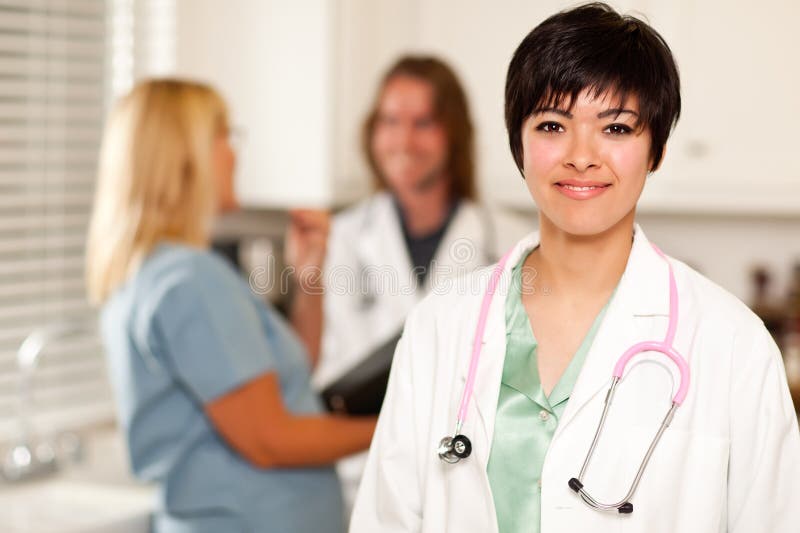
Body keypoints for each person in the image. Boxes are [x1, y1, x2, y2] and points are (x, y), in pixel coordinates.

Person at [350, 4, 800, 532]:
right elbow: (385, 520)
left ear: (656, 148)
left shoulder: (734, 346)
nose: (581, 156)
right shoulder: (440, 326)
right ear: (518, 143)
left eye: (616, 127)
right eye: (551, 124)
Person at [86, 79, 376, 533]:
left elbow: (283, 381)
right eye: (224, 136)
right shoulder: (190, 281)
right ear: (185, 156)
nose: (234, 153)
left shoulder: (152, 273)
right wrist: (399, 426)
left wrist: (309, 279)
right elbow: (269, 438)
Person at [314, 55, 495, 510]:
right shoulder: (341, 239)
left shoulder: (506, 243)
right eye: (390, 121)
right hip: (363, 482)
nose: (403, 140)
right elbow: (323, 373)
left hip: (467, 486)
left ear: (453, 133)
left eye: (423, 122)